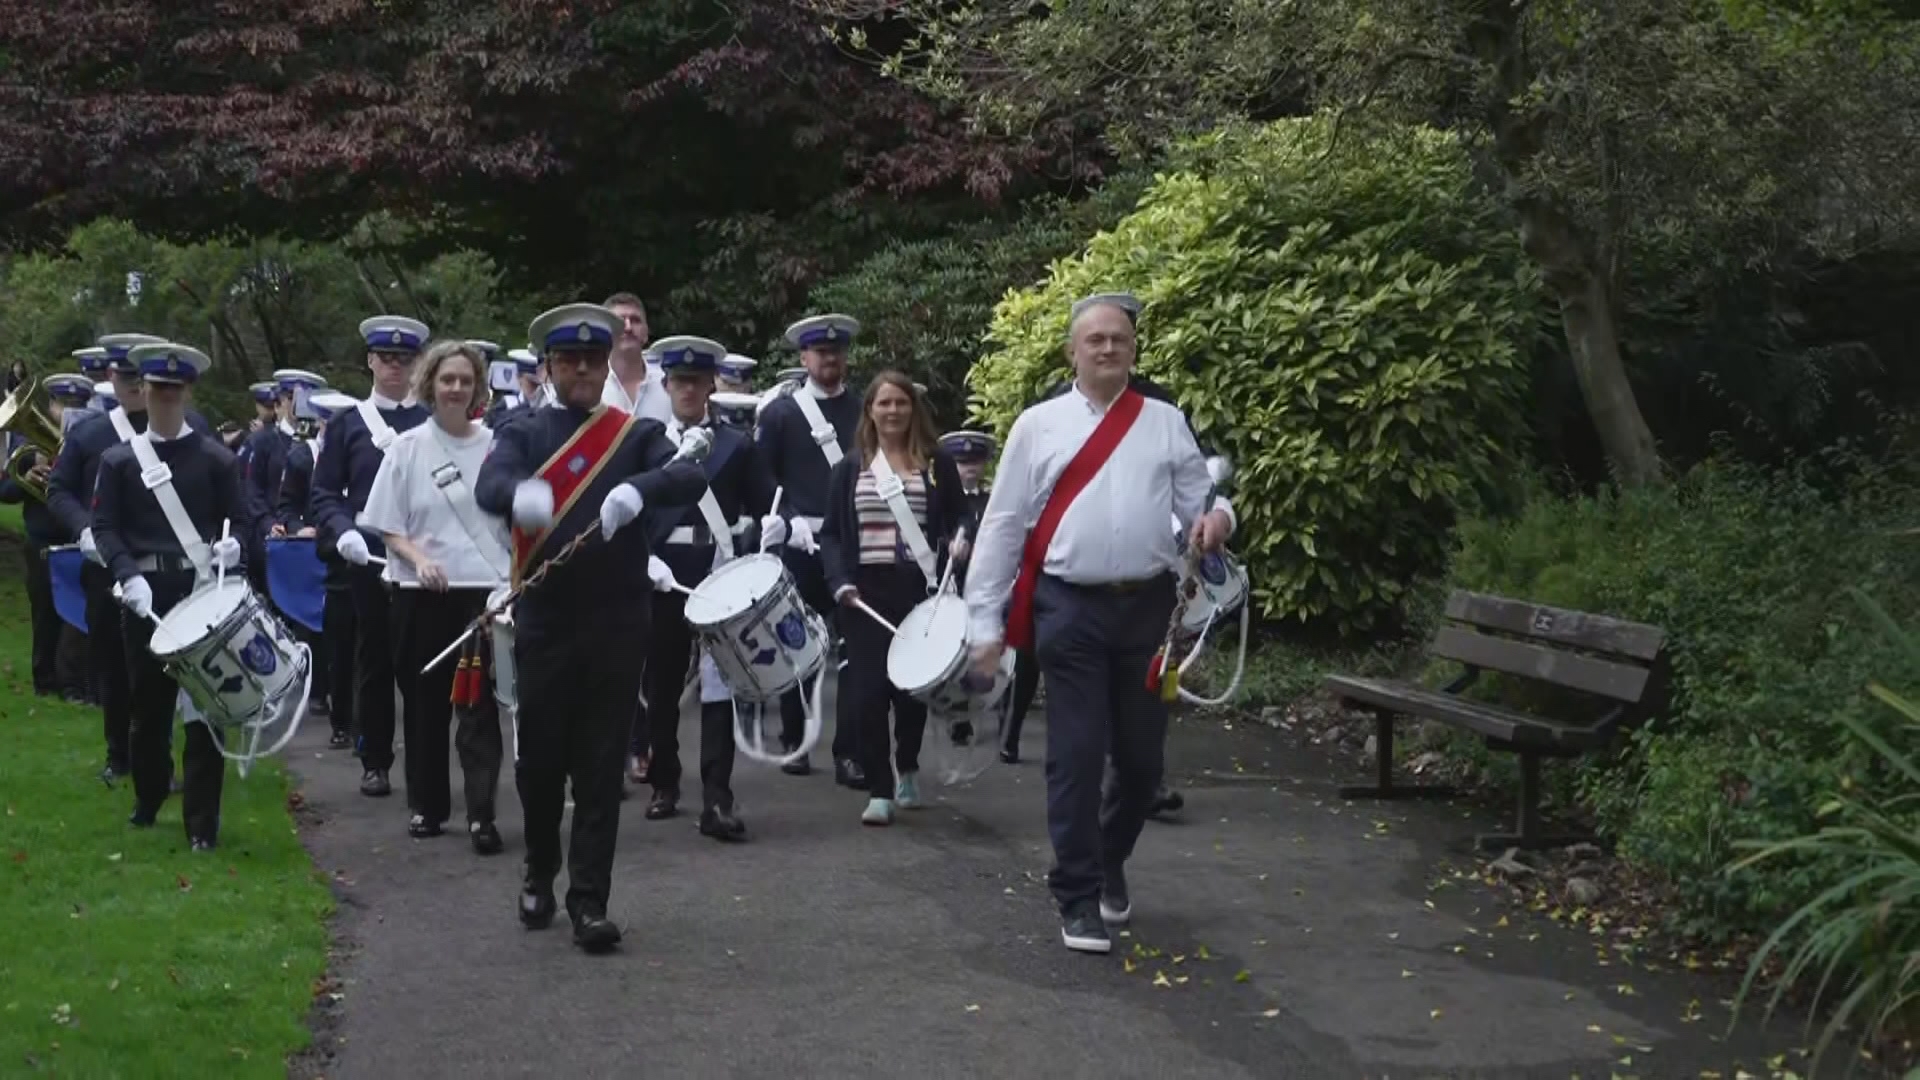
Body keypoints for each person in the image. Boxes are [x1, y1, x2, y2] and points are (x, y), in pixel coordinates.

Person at [963, 292, 1236, 955]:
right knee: (1077, 753)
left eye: (1119, 338)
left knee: (1142, 765)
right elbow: (1001, 526)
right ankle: (1078, 894)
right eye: (1095, 340)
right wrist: (984, 623)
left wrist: (1220, 519)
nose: (1108, 348)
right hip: (1070, 607)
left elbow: (1202, 501)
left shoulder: (1166, 421)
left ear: (1134, 348)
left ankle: (1111, 858)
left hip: (1148, 609)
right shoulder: (1038, 425)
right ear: (1072, 352)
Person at [474, 302, 706, 953]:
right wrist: (517, 494)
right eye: (569, 359)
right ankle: (539, 866)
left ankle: (588, 900)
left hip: (618, 618)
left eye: (592, 359)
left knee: (602, 762)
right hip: (546, 619)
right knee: (542, 763)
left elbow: (688, 470)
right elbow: (491, 482)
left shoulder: (633, 435)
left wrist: (644, 490)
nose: (581, 368)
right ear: (548, 365)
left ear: (607, 364)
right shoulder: (523, 431)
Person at [90, 342, 249, 850]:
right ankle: (150, 794)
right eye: (157, 389)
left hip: (202, 589)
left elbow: (243, 520)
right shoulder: (118, 461)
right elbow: (105, 526)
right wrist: (124, 572)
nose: (164, 398)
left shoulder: (217, 460)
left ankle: (202, 825)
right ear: (145, 391)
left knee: (206, 709)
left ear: (187, 392)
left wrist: (236, 545)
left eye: (173, 391)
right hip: (144, 592)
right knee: (150, 707)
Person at [359, 341, 512, 852]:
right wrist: (418, 559)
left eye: (466, 380)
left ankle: (482, 814)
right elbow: (385, 524)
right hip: (419, 593)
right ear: (431, 383)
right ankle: (427, 806)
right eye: (448, 379)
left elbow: (514, 522)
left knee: (479, 711)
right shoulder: (406, 449)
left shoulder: (497, 448)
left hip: (483, 595)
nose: (456, 388)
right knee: (424, 708)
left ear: (478, 387)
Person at [636, 335, 784, 840]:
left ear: (710, 386)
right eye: (679, 381)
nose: (688, 390)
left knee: (722, 687)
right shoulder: (647, 443)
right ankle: (664, 783)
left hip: (718, 569)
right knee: (661, 685)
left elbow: (767, 502)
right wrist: (644, 560)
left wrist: (776, 528)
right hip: (664, 573)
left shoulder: (736, 445)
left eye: (697, 381)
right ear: (666, 384)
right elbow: (632, 510)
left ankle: (718, 798)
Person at [46, 332, 211, 782]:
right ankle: (120, 755)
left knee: (179, 671)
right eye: (126, 375)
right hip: (107, 567)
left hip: (177, 568)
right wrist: (83, 527)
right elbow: (57, 489)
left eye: (143, 377)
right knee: (115, 665)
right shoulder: (89, 433)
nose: (136, 386)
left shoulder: (191, 427)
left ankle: (174, 763)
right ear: (111, 377)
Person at [819, 371, 970, 825]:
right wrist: (838, 581)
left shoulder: (935, 461)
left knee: (911, 691)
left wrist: (963, 537)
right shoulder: (850, 466)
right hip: (863, 594)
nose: (893, 411)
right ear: (870, 410)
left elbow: (961, 515)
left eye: (901, 403)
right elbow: (830, 534)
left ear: (913, 409)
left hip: (918, 589)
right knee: (867, 694)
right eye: (884, 403)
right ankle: (879, 788)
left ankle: (907, 764)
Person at [310, 315, 431, 797]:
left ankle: (425, 766)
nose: (395, 368)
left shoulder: (432, 419)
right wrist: (341, 531)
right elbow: (323, 494)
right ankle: (375, 758)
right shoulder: (347, 426)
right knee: (374, 662)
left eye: (404, 360)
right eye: (386, 359)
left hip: (423, 558)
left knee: (422, 666)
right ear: (370, 361)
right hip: (369, 557)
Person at [754, 314, 864, 783]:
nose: (830, 359)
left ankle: (849, 750)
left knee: (854, 651)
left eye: (837, 352)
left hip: (851, 541)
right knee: (795, 645)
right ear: (804, 358)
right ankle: (795, 739)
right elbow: (764, 477)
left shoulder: (863, 410)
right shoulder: (781, 414)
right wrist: (790, 518)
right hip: (799, 544)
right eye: (821, 352)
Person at [278, 390, 361, 750]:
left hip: (364, 552)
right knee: (332, 640)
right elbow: (288, 505)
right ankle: (337, 714)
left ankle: (364, 721)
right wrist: (297, 528)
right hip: (326, 553)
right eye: (328, 422)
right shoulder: (301, 458)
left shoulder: (363, 449)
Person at [0, 374, 89, 698]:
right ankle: (44, 679)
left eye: (74, 405)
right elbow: (6, 491)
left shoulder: (84, 446)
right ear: (50, 406)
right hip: (40, 540)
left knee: (76, 611)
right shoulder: (27, 450)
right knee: (43, 611)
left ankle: (73, 681)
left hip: (73, 537)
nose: (64, 411)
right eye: (60, 404)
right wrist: (27, 474)